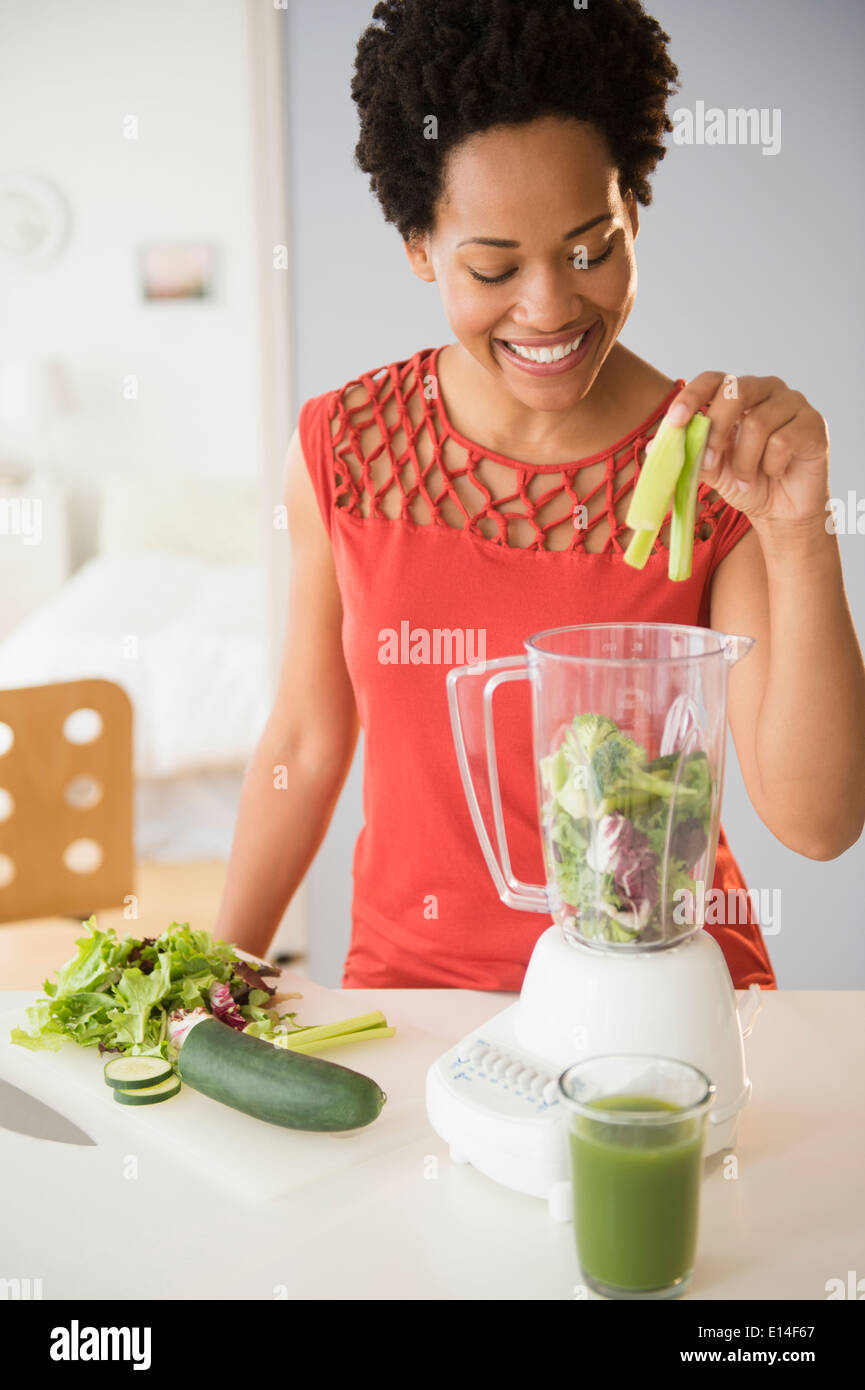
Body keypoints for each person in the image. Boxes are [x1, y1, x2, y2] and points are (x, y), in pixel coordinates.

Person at [217, 0, 865, 990]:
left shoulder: (710, 469)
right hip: (413, 1003)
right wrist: (216, 976)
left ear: (633, 213)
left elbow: (817, 822)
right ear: (420, 248)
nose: (551, 307)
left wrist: (800, 534)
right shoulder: (342, 448)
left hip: (665, 1001)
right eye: (493, 266)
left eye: (589, 248)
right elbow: (306, 741)